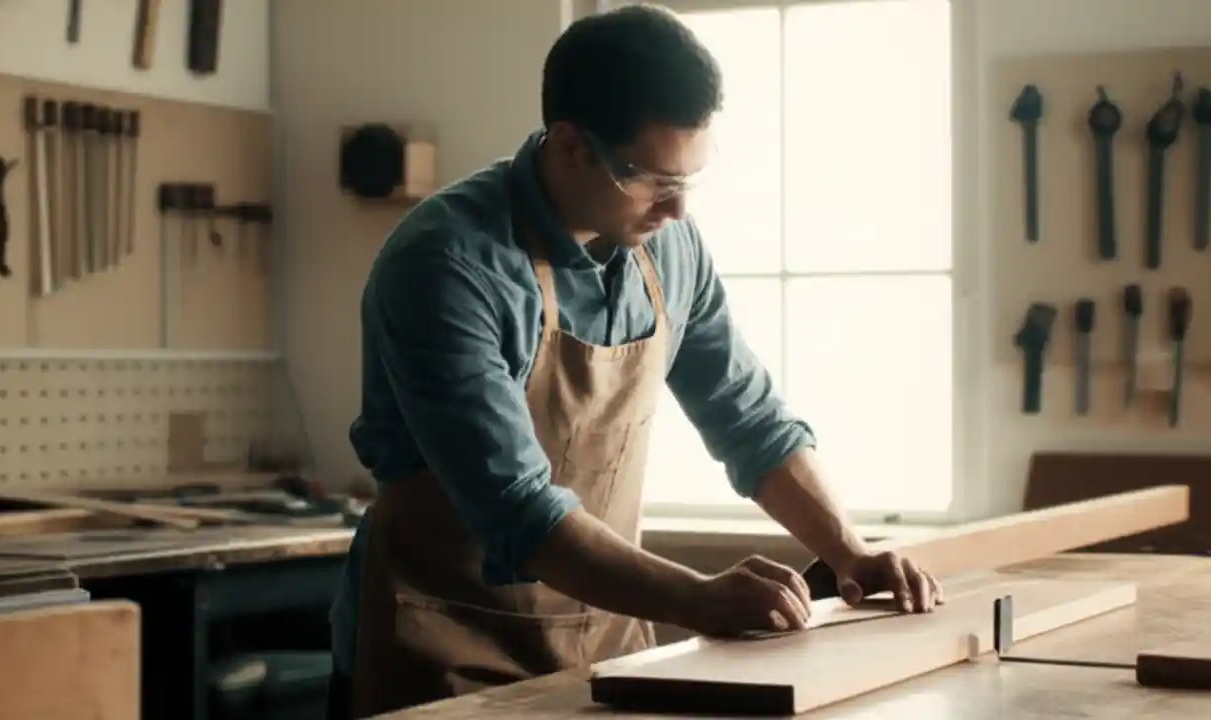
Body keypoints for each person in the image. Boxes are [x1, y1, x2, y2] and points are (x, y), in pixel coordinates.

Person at [327, 4, 943, 718]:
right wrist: (697, 598)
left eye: (690, 180)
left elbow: (749, 421)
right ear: (568, 146)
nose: (677, 210)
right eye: (653, 180)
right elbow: (519, 511)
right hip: (445, 654)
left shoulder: (671, 250)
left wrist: (850, 551)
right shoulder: (445, 264)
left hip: (607, 648)